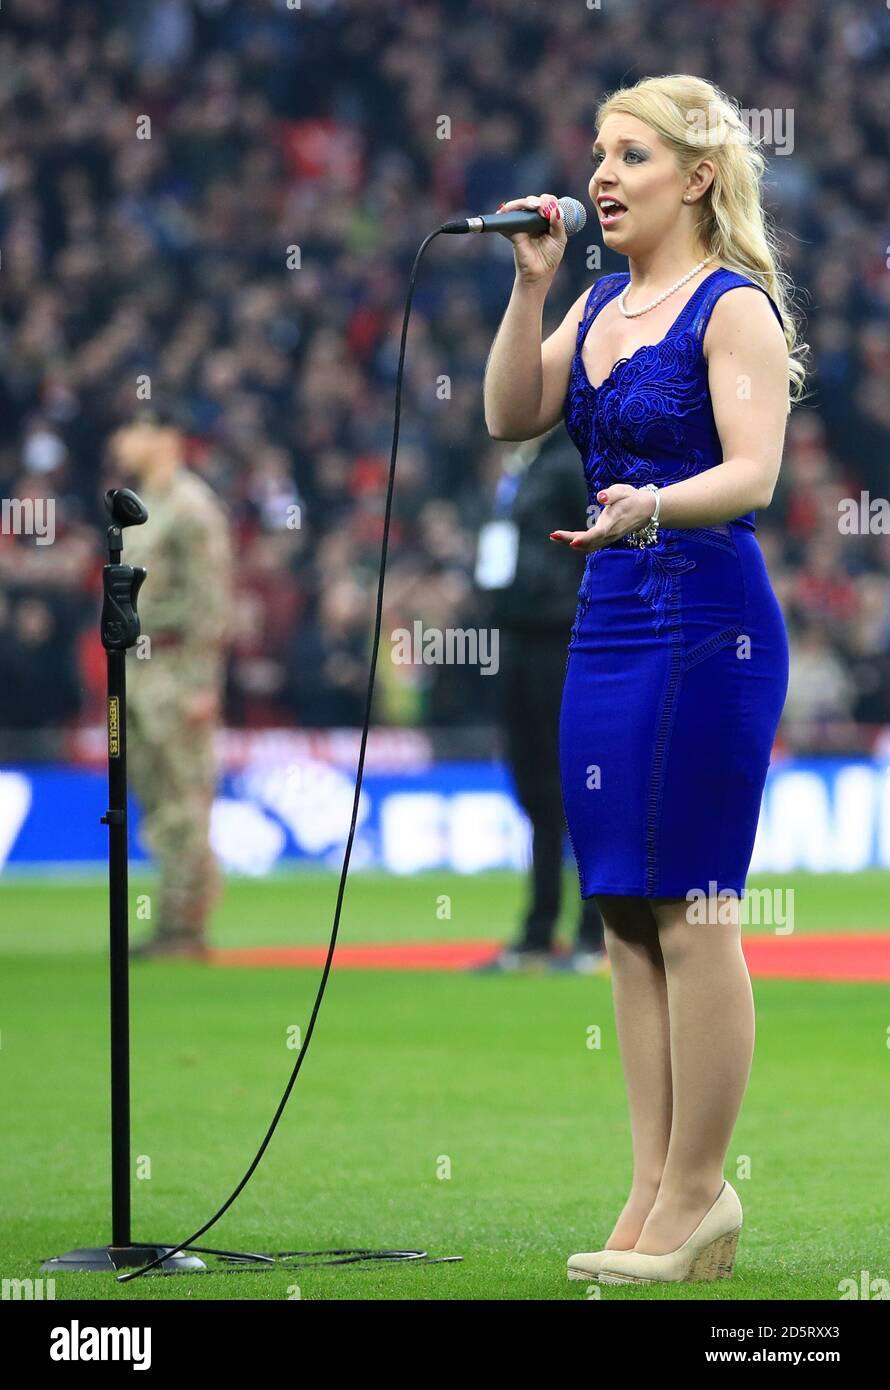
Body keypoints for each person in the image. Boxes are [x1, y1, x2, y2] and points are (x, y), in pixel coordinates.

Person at [484, 74, 806, 1284]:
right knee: (622, 907)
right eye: (597, 153)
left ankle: (696, 1191)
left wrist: (650, 504)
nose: (601, 176)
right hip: (607, 612)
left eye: (629, 156)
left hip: (704, 614)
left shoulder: (733, 308)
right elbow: (509, 413)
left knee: (696, 905)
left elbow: (753, 474)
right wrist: (530, 287)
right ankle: (649, 1188)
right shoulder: (602, 305)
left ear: (699, 176)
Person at [474, 426, 605, 973]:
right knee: (537, 792)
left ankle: (594, 935)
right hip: (519, 637)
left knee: (574, 791)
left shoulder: (573, 457)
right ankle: (537, 931)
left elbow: (598, 543)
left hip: (560, 637)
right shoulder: (525, 463)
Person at [110, 405, 233, 960]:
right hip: (137, 667)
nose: (121, 441)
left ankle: (186, 925)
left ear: (165, 436)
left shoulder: (191, 507)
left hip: (177, 668)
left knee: (185, 795)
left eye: (133, 429)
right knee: (155, 794)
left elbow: (211, 602)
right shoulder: (143, 505)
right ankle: (172, 914)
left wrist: (204, 685)